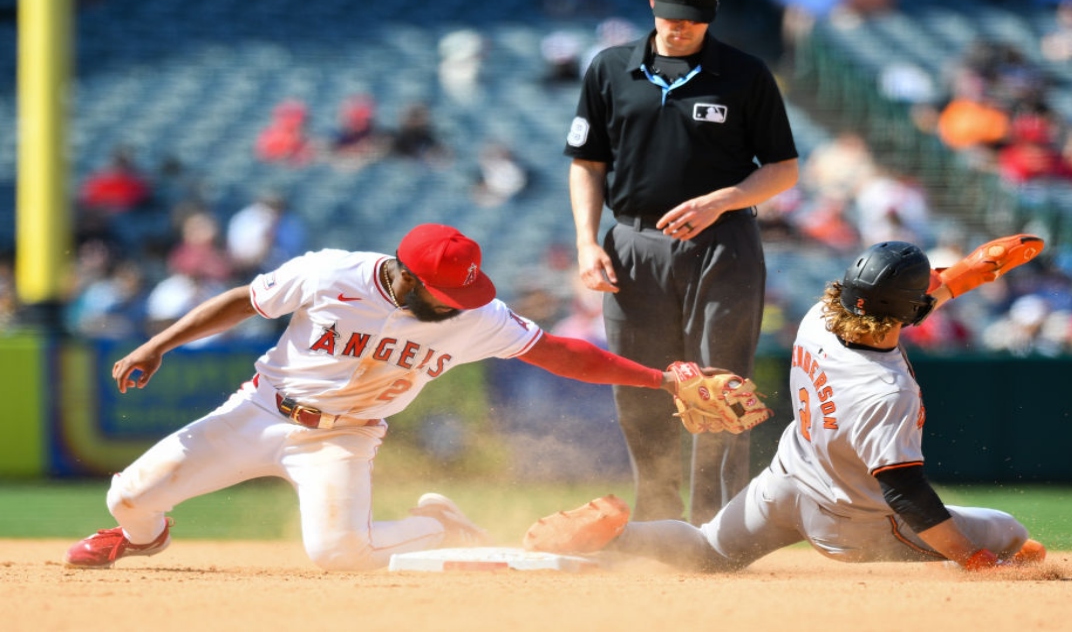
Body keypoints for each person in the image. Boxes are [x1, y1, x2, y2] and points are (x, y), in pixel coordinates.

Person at [62, 224, 701, 572]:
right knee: (128, 497)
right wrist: (159, 344)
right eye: (452, 293)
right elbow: (242, 300)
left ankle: (437, 526)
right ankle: (144, 538)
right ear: (405, 275)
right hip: (259, 409)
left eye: (471, 292)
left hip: (343, 436)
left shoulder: (478, 315)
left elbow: (564, 353)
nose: (467, 305)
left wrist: (661, 378)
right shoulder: (330, 273)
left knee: (337, 554)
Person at [525, 236, 1049, 573]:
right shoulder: (887, 393)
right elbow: (906, 493)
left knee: (708, 549)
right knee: (1008, 532)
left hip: (783, 483)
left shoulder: (819, 318)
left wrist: (964, 273)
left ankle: (615, 538)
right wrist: (972, 557)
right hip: (851, 522)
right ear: (910, 311)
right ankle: (995, 558)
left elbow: (890, 304)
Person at [564, 0, 799, 524]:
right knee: (641, 383)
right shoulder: (610, 69)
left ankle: (715, 526)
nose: (679, 27)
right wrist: (586, 242)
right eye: (671, 14)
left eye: (691, 19)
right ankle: (657, 518)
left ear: (710, 16)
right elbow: (587, 163)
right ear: (652, 5)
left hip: (723, 244)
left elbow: (784, 169)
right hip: (633, 246)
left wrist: (723, 200)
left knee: (721, 384)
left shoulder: (744, 74)